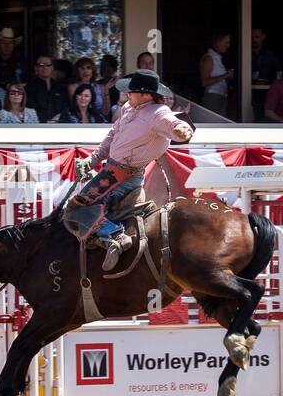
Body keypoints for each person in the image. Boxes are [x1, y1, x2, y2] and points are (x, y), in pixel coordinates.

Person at [65, 69, 194, 271]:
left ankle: (115, 235)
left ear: (146, 95)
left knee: (74, 209)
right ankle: (107, 238)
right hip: (112, 172)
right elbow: (112, 136)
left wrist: (184, 131)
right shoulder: (128, 108)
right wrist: (91, 160)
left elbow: (178, 126)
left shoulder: (158, 113)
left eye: (131, 91)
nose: (127, 94)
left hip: (122, 176)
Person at [27, 56, 70, 123]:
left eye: (48, 65)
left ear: (52, 68)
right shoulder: (29, 88)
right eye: (41, 65)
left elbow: (65, 109)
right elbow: (30, 111)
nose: (45, 67)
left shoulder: (60, 88)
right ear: (36, 68)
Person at [199, 33, 233, 115]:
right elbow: (205, 82)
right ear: (218, 42)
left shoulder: (217, 58)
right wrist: (226, 75)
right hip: (212, 97)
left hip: (221, 97)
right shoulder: (209, 58)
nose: (228, 45)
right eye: (226, 42)